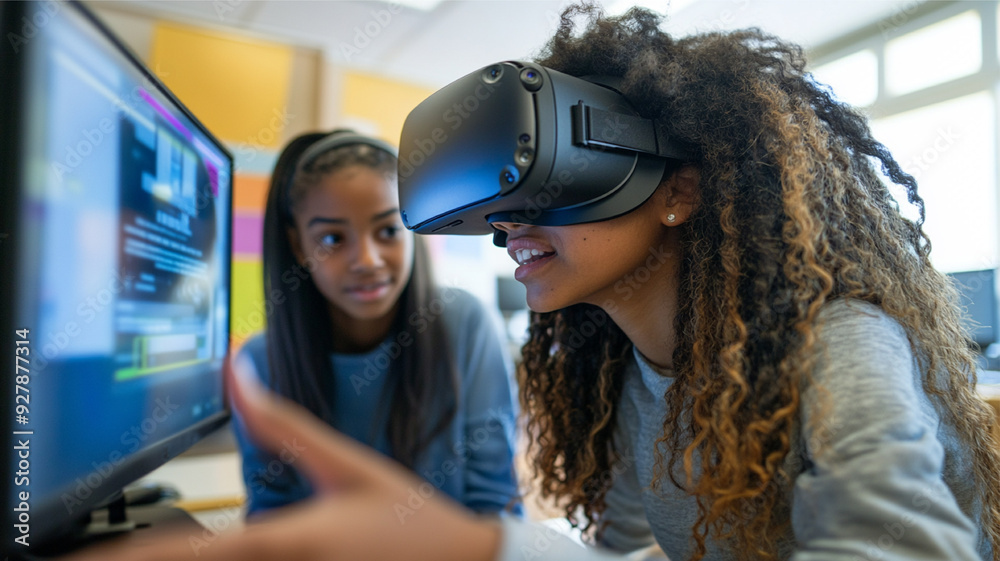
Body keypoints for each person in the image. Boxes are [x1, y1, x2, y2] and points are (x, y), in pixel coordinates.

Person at [66, 4, 1000, 561]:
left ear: (676, 188)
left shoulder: (837, 347)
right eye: (497, 208)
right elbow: (631, 551)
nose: (507, 226)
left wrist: (474, 546)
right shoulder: (627, 375)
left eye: (536, 193)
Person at [232, 129, 521, 517]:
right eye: (333, 239)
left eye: (388, 231)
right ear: (299, 245)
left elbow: (494, 504)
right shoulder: (259, 363)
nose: (367, 260)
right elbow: (271, 514)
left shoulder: (467, 324)